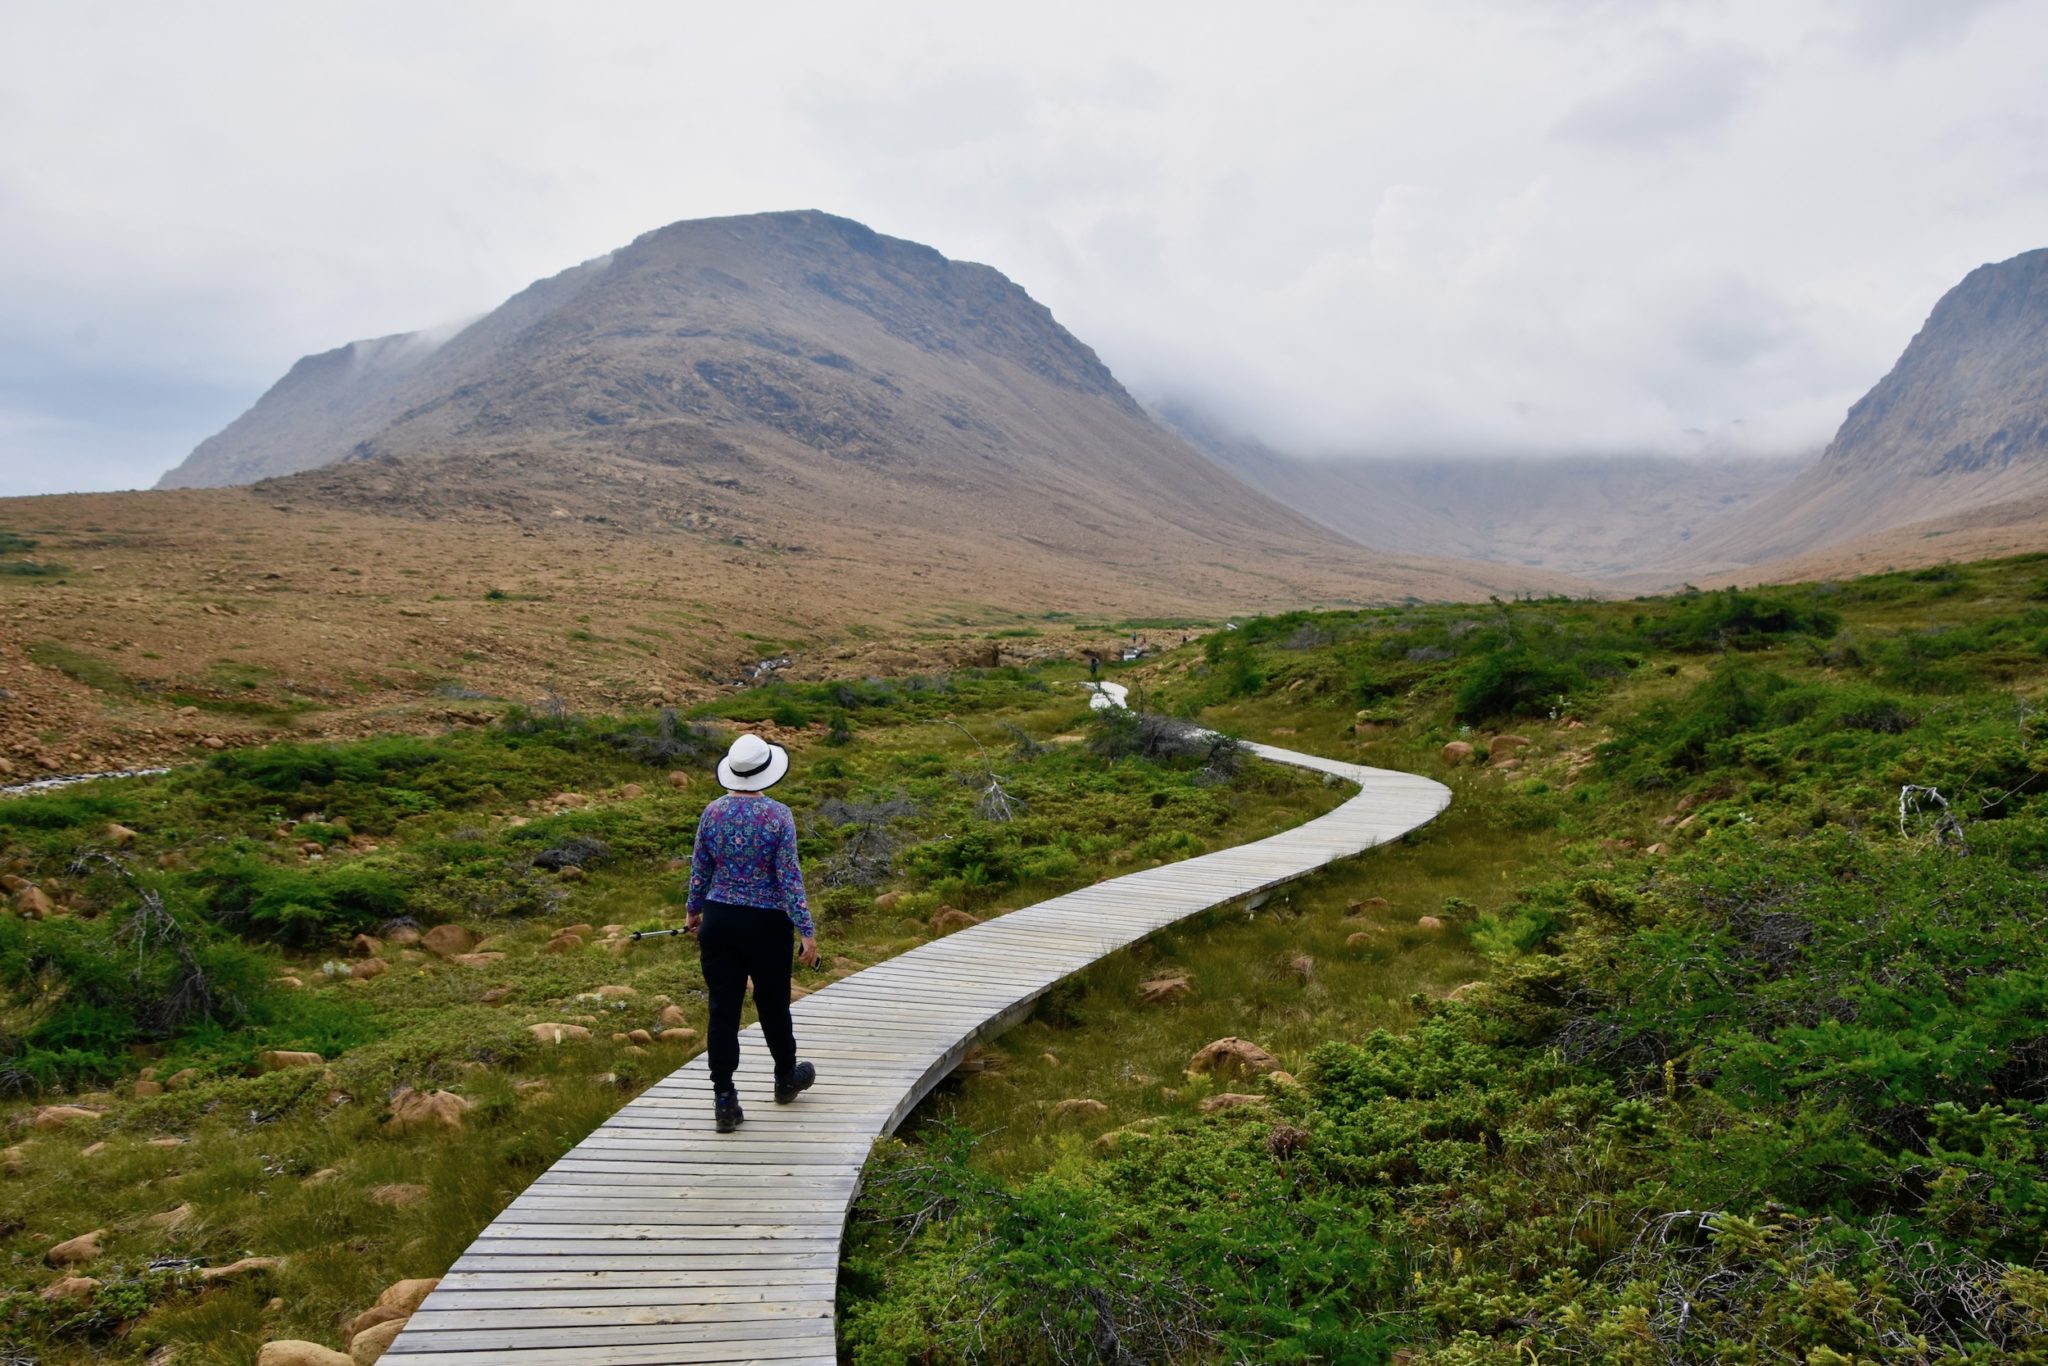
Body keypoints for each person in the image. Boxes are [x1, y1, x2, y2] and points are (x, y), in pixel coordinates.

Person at [686, 732, 820, 1133]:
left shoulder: (712, 812)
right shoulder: (779, 816)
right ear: (766, 772)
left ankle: (724, 1098)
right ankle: (785, 1078)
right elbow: (789, 879)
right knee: (773, 1004)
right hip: (767, 924)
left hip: (720, 917)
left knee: (722, 1011)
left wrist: (694, 910)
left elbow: (700, 868)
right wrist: (806, 930)